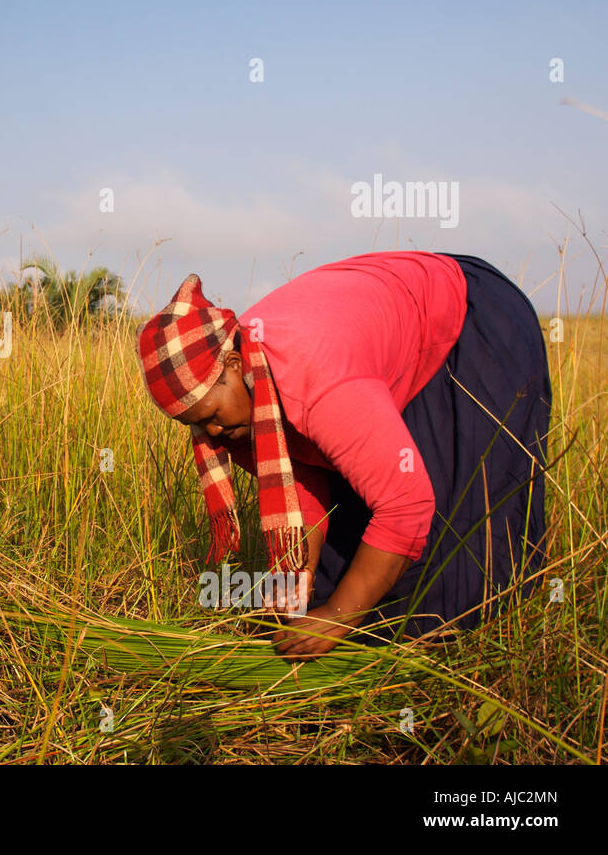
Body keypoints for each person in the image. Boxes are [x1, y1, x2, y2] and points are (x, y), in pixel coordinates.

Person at [136, 251, 551, 658]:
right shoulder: (243, 397)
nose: (211, 432)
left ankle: (481, 667)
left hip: (468, 319)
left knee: (455, 550)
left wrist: (337, 616)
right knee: (339, 572)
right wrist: (297, 581)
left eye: (210, 414)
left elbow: (406, 506)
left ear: (231, 362)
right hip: (374, 332)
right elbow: (302, 477)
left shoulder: (318, 382)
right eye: (193, 424)